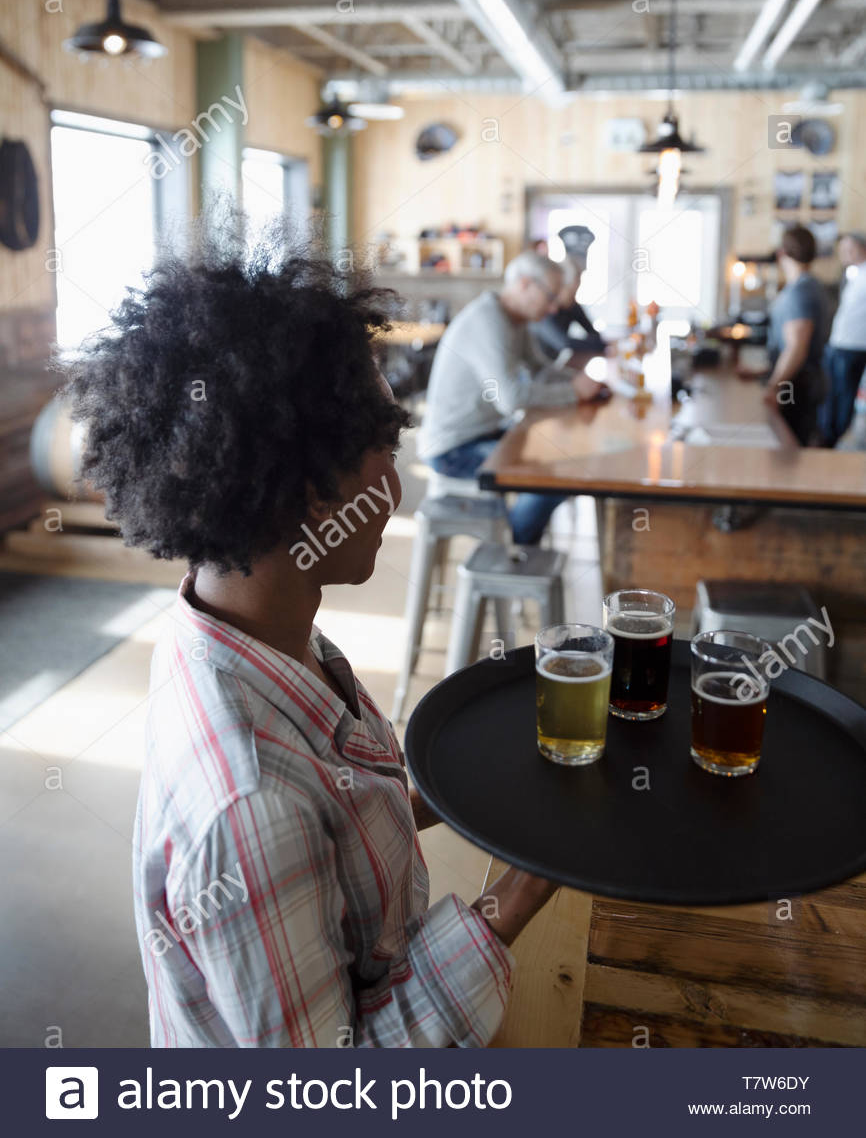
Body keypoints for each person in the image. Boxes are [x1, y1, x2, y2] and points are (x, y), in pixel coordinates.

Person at [65, 244, 555, 1048]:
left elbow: (338, 827)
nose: (396, 488)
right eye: (385, 452)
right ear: (313, 491)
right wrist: (525, 885)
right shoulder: (251, 805)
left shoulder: (232, 628)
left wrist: (472, 797)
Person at [418, 249, 604, 544]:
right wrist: (574, 391)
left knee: (561, 459)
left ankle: (515, 543)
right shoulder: (487, 321)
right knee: (552, 478)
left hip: (485, 432)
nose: (554, 308)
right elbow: (510, 399)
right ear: (525, 284)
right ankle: (513, 548)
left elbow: (541, 369)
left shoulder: (515, 320)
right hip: (453, 448)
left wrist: (583, 383)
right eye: (551, 297)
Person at [763, 225, 830, 446]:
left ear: (782, 253)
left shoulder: (800, 291)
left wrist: (774, 386)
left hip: (796, 385)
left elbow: (796, 348)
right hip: (803, 381)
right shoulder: (812, 285)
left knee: (789, 450)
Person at [819, 231, 866, 447]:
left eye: (850, 249)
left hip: (853, 346)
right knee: (832, 394)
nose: (845, 254)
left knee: (844, 395)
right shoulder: (852, 273)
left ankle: (834, 437)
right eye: (842, 249)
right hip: (839, 344)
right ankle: (829, 435)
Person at [531, 254, 607, 364]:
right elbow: (564, 343)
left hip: (555, 365)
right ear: (562, 287)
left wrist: (604, 344)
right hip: (541, 367)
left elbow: (593, 333)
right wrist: (604, 344)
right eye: (573, 292)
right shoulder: (545, 308)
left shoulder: (572, 305)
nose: (575, 296)